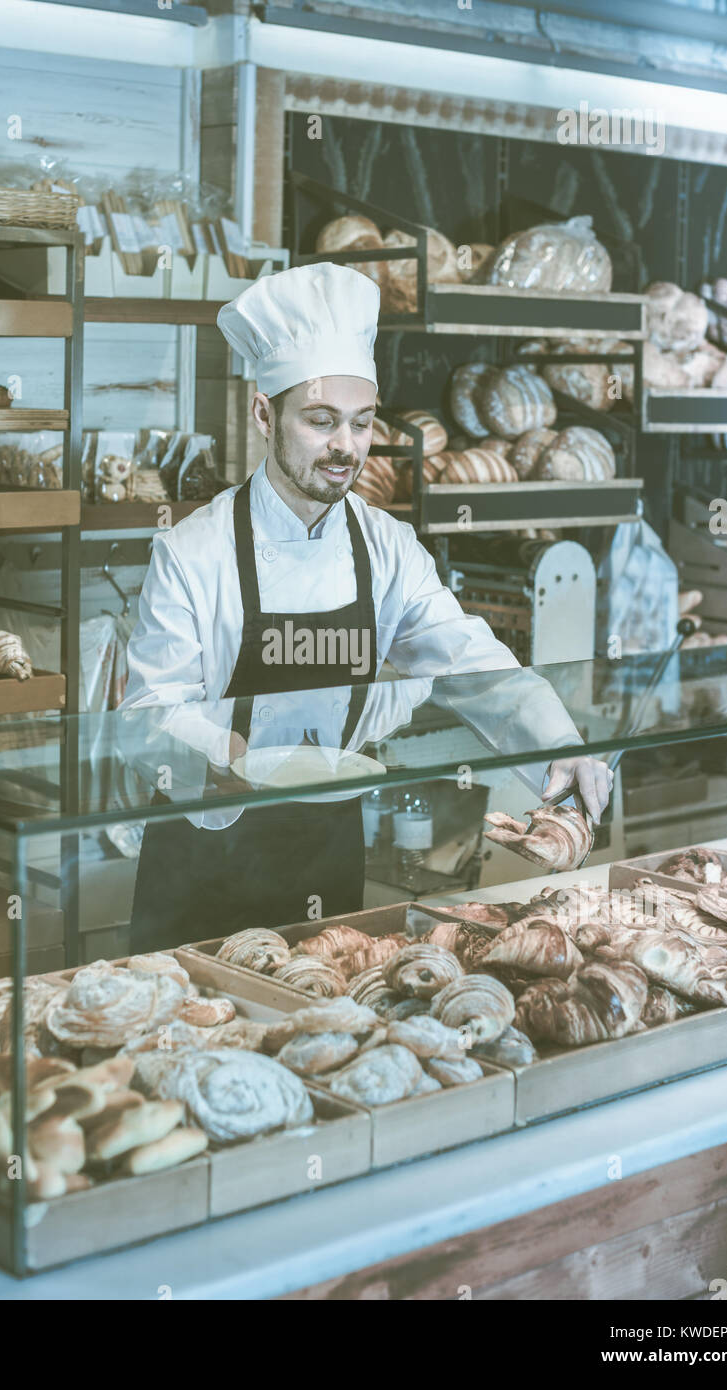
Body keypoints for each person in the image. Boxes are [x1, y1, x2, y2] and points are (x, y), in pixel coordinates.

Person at [121, 262, 611, 950]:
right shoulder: (193, 551)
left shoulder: (385, 548)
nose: (346, 447)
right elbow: (145, 716)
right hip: (206, 857)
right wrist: (226, 757)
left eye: (361, 423)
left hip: (326, 847)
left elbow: (470, 662)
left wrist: (560, 747)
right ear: (264, 413)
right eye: (321, 421)